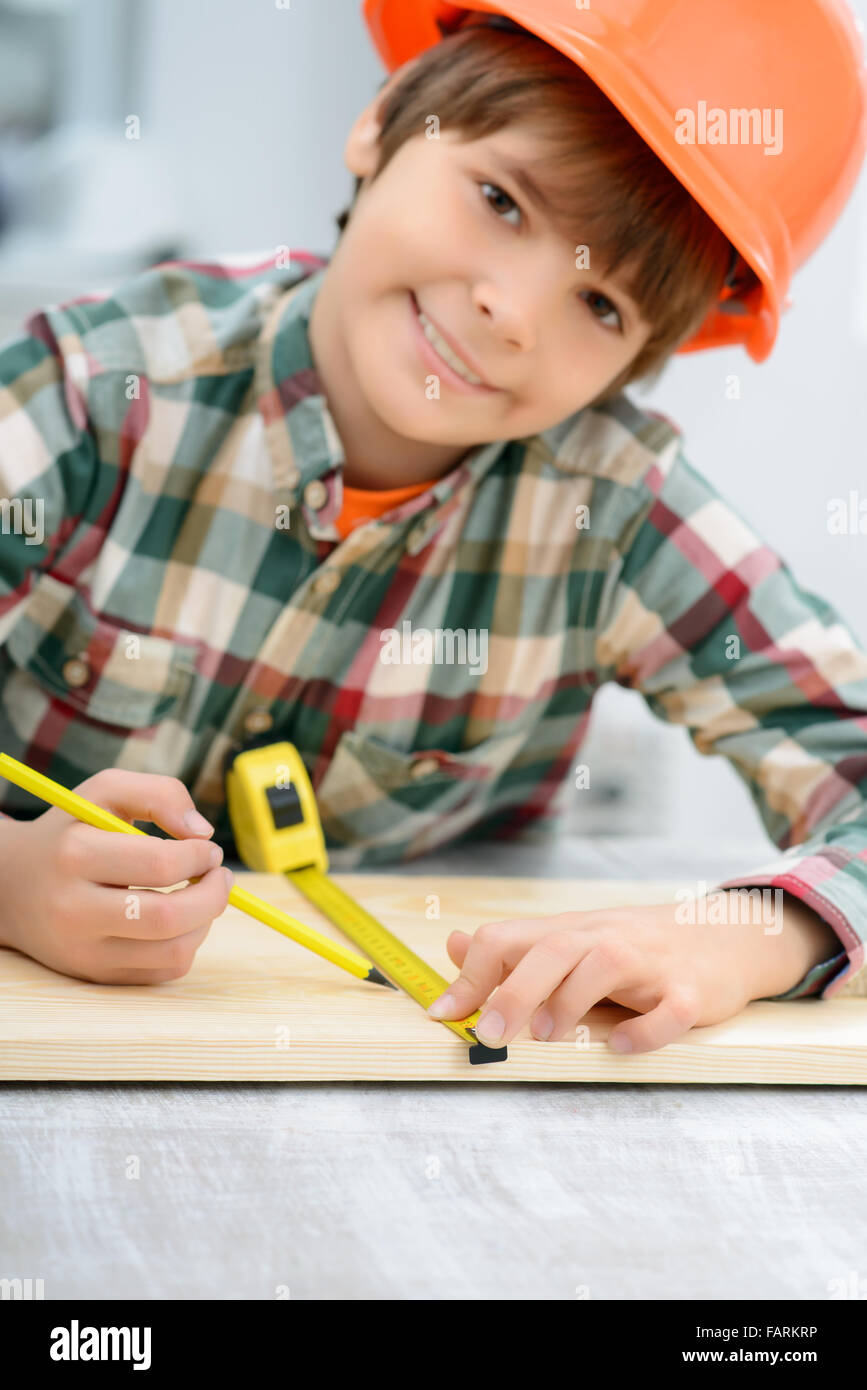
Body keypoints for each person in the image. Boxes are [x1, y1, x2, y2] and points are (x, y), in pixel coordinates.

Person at [0, 1, 865, 1056]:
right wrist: (8, 883)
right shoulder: (92, 394)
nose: (513, 311)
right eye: (500, 199)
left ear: (641, 362)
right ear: (380, 125)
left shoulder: (615, 510)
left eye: (602, 307)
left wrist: (739, 938)